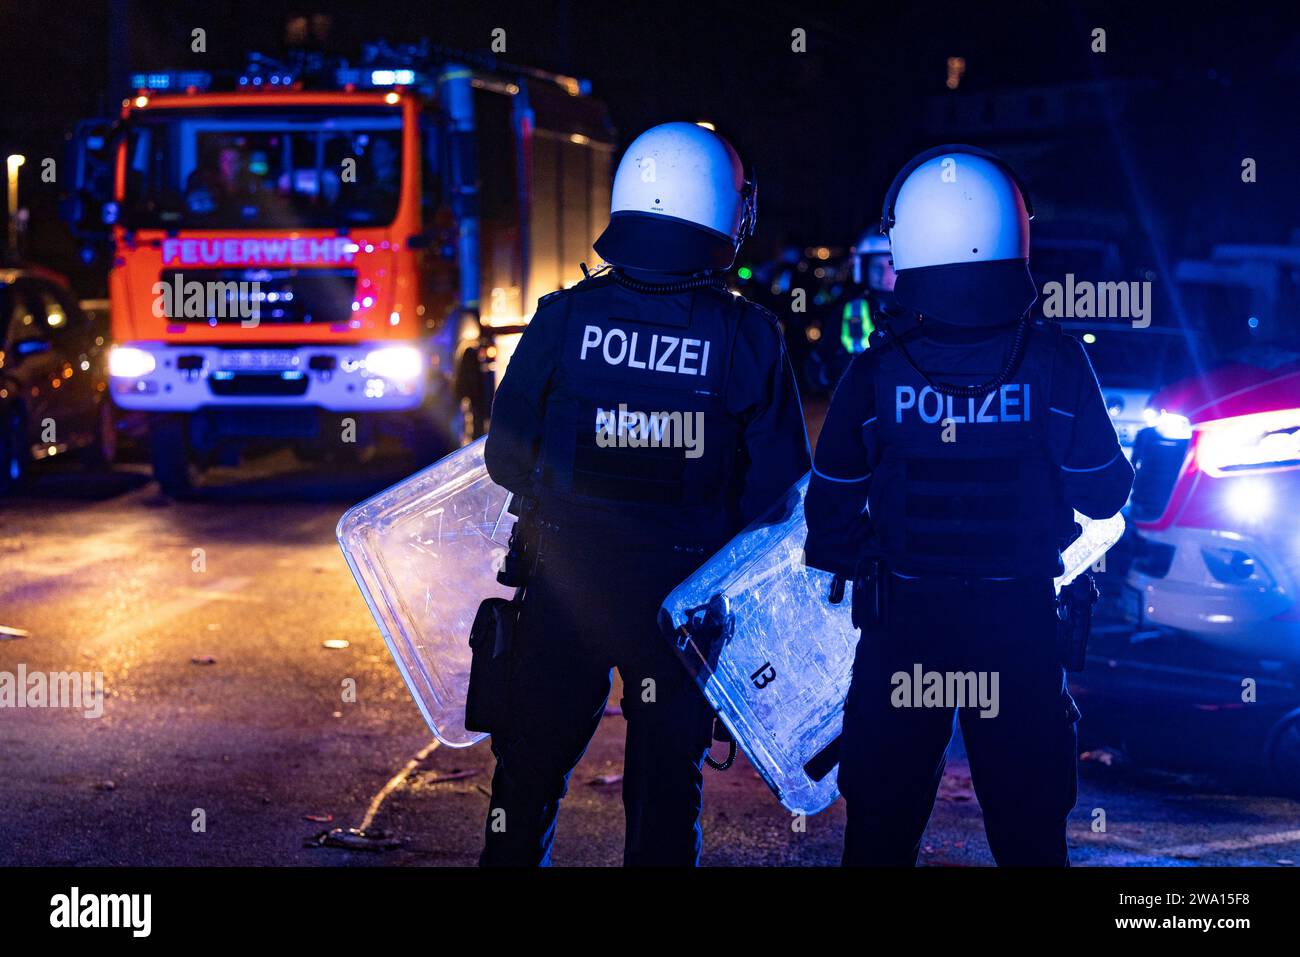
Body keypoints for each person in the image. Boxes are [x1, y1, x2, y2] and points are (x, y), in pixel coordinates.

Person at [480, 122, 810, 866]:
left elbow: (506, 454)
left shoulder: (565, 317)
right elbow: (779, 498)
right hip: (684, 605)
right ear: (726, 211)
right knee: (665, 789)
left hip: (566, 586)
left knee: (526, 777)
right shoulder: (749, 335)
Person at [804, 145, 1134, 867]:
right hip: (1016, 631)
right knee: (1029, 837)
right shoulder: (1055, 359)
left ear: (910, 242)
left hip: (904, 630)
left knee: (880, 837)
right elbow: (1105, 490)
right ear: (1014, 233)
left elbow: (826, 523)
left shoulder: (874, 369)